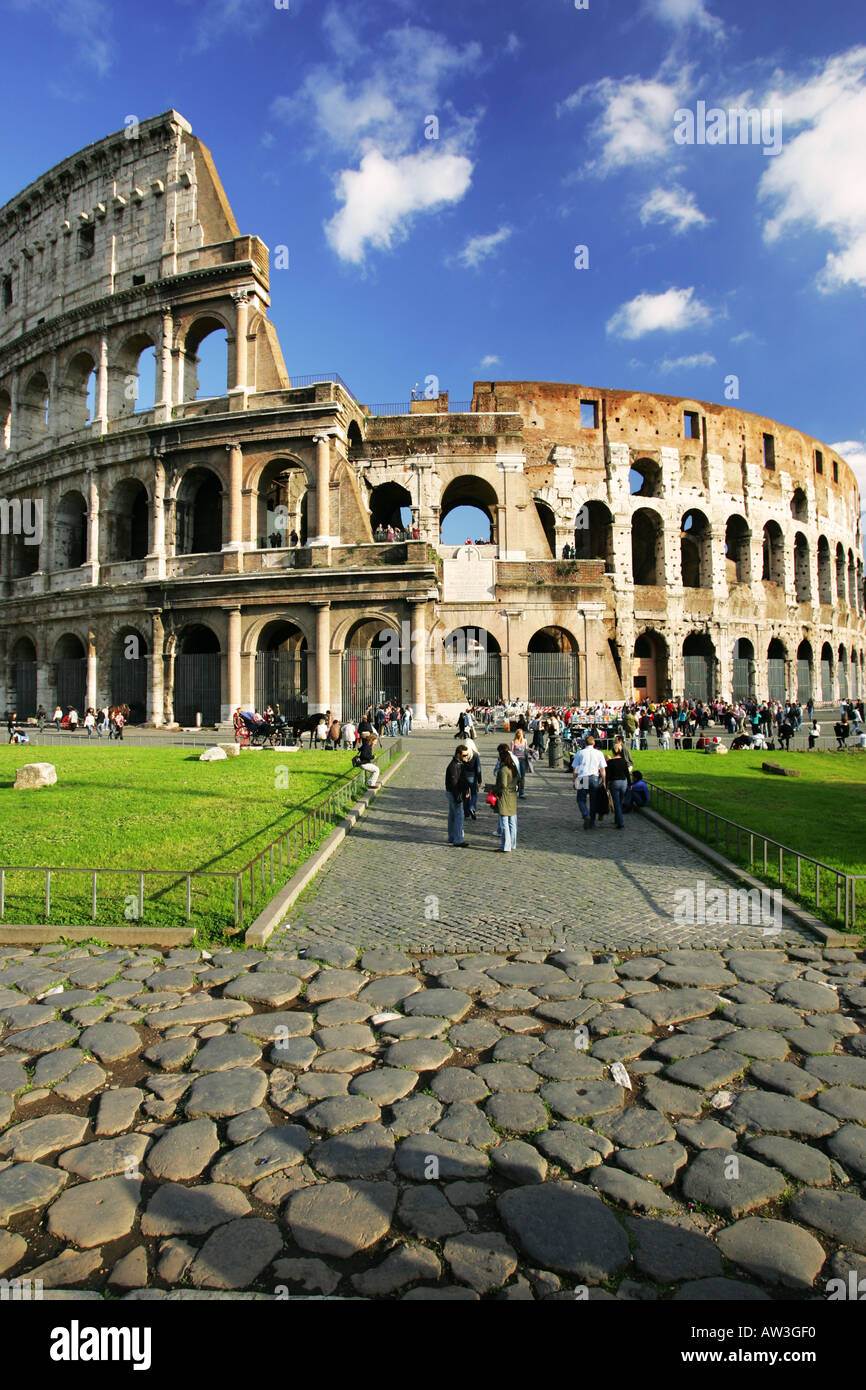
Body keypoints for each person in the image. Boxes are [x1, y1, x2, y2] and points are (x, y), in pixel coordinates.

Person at [572, 734, 607, 830]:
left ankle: (585, 814)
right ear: (594, 743)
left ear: (584, 743)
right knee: (593, 801)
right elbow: (602, 770)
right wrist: (604, 781)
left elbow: (576, 768)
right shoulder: (599, 753)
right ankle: (592, 822)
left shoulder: (580, 753)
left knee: (581, 799)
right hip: (594, 777)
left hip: (582, 777)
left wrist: (574, 780)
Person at [493, 743, 519, 852]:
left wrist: (494, 791)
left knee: (504, 823)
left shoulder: (503, 770)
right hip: (512, 796)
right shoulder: (513, 768)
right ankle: (512, 844)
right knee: (512, 822)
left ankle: (505, 846)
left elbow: (502, 785)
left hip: (505, 797)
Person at [445, 744, 471, 847]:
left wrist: (466, 790)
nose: (466, 757)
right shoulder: (453, 766)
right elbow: (454, 784)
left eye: (467, 755)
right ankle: (458, 840)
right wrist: (458, 798)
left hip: (456, 792)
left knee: (452, 815)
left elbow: (463, 780)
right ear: (458, 754)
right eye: (464, 755)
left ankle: (451, 837)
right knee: (459, 815)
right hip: (454, 793)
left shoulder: (460, 764)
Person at [605, 746, 631, 829]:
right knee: (619, 802)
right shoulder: (623, 761)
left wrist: (606, 785)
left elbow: (607, 775)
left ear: (613, 752)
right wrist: (630, 785)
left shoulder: (611, 762)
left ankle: (620, 822)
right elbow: (627, 774)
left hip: (615, 782)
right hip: (623, 782)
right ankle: (617, 819)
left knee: (616, 804)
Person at [510, 726, 529, 799]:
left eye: (520, 733)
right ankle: (514, 790)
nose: (519, 735)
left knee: (522, 776)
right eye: (518, 733)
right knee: (515, 776)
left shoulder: (525, 741)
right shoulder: (513, 742)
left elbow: (526, 749)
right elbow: (512, 752)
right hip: (516, 760)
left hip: (523, 760)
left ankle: (522, 792)